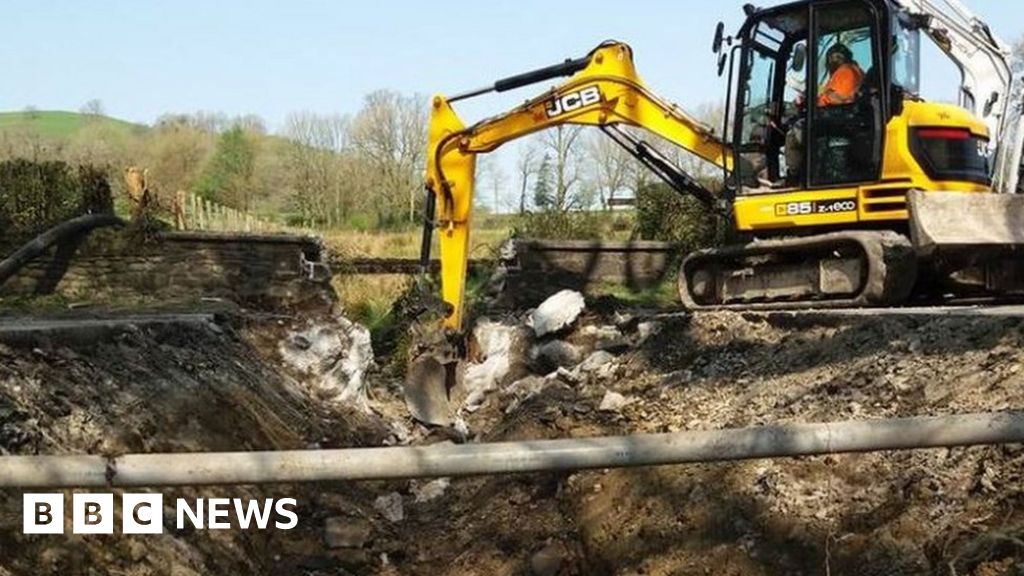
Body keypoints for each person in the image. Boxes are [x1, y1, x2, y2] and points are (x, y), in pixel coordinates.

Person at [782, 42, 865, 183]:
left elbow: (835, 98)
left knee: (794, 132)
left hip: (839, 121)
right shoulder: (856, 71)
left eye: (835, 57)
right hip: (845, 119)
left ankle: (795, 176)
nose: (832, 61)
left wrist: (812, 101)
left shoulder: (846, 71)